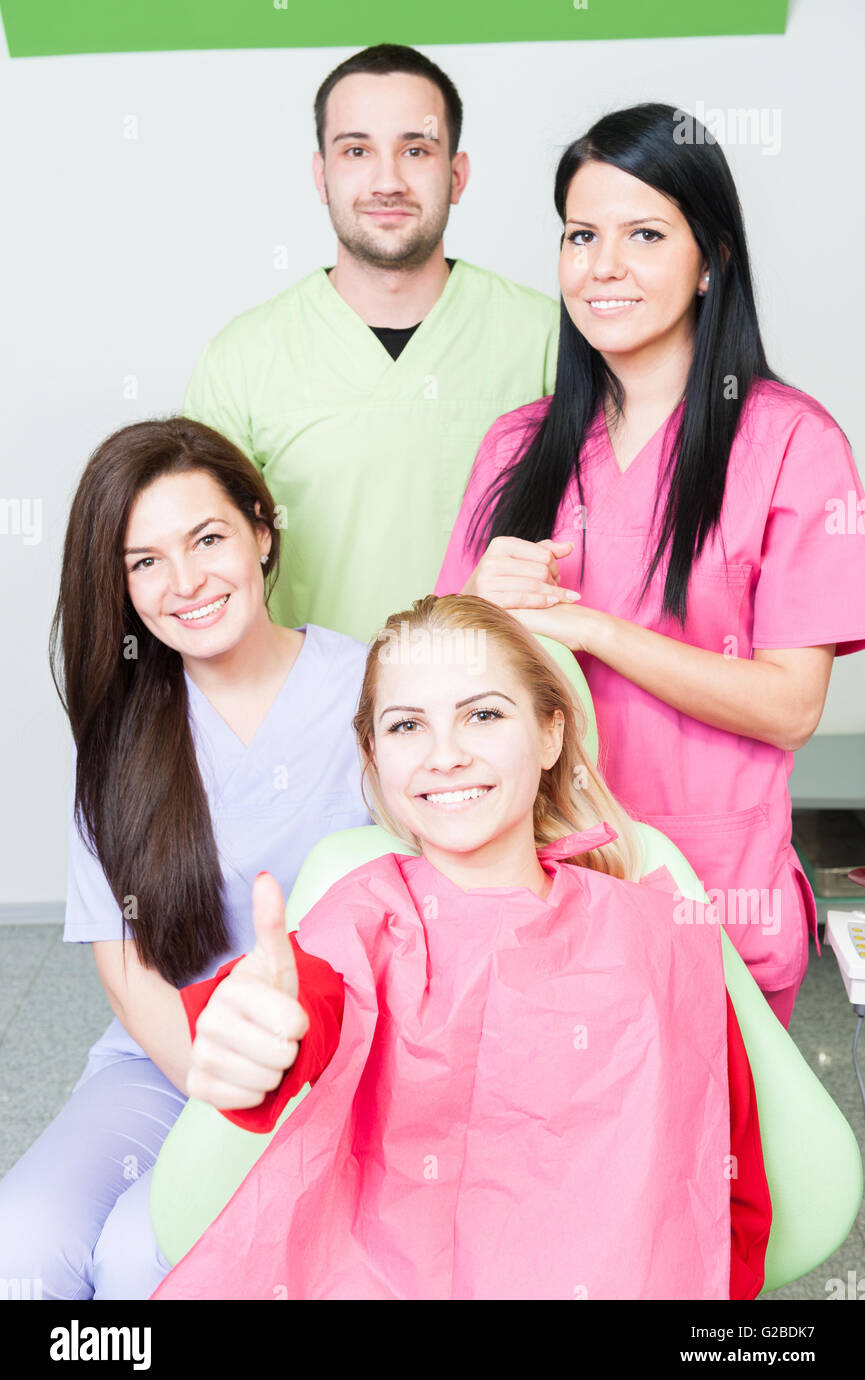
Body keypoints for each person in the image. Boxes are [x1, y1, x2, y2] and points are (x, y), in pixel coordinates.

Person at [151, 595, 771, 1301]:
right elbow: (303, 1001)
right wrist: (251, 1026)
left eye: (482, 715)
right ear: (373, 754)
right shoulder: (365, 918)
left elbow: (726, 1184)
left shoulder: (658, 936)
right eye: (407, 725)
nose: (445, 756)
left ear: (548, 735)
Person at [433, 103, 865, 1029]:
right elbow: (445, 690)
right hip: (539, 893)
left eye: (643, 234)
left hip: (718, 900)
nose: (602, 267)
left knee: (712, 1173)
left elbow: (790, 706)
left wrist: (592, 627)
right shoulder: (515, 448)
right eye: (580, 235)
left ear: (708, 262)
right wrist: (478, 611)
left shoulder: (793, 443)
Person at [0, 418, 372, 1300]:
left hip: (335, 1068)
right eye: (145, 562)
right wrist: (216, 1094)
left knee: (144, 1254)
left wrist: (265, 1108)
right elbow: (127, 971)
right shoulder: (121, 742)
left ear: (262, 531)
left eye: (208, 538)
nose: (186, 582)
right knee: (21, 1246)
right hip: (165, 1057)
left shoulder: (371, 692)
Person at [182, 43, 559, 644]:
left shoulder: (547, 339)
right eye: (357, 151)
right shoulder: (242, 359)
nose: (387, 180)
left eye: (416, 149)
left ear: (457, 174)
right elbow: (198, 565)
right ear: (321, 174)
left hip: (494, 716)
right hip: (305, 722)